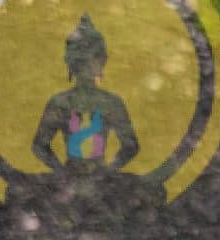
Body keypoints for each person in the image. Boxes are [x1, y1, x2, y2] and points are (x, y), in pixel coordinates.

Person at [30, 13, 140, 173]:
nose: (86, 68)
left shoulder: (111, 103)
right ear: (71, 64)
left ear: (101, 62)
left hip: (101, 177)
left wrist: (109, 171)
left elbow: (131, 146)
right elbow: (39, 145)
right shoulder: (59, 103)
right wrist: (61, 172)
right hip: (70, 176)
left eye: (91, 61)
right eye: (81, 62)